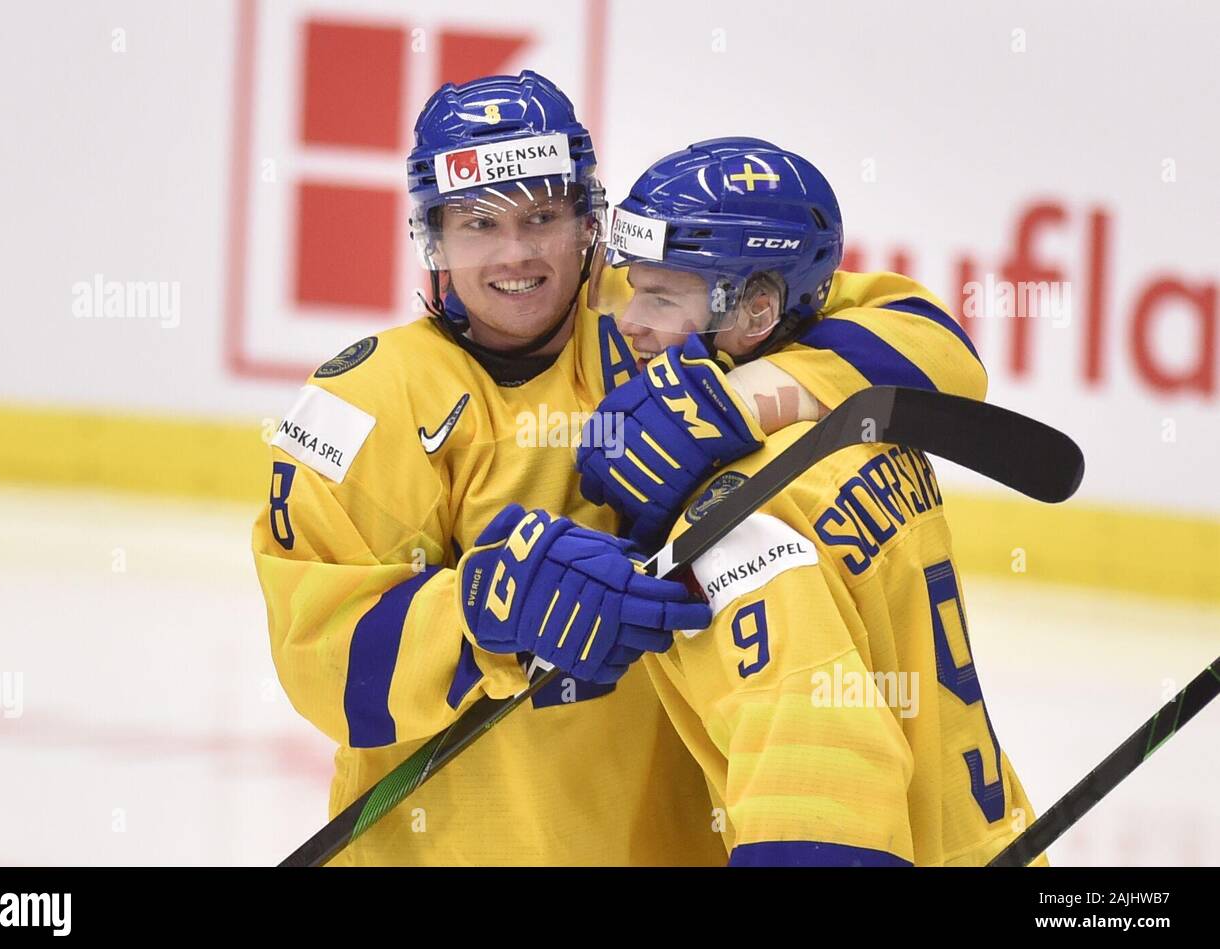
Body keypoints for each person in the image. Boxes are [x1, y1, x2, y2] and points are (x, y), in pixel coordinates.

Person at [253, 70, 990, 865]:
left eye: (542, 217)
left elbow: (937, 348)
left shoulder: (662, 312)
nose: (515, 255)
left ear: (585, 223)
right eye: (477, 224)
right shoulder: (361, 402)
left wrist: (741, 399)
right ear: (434, 236)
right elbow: (319, 661)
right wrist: (483, 610)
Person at [577, 138, 1041, 865]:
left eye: (663, 297)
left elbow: (821, 776)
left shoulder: (735, 508)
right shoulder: (859, 419)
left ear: (758, 309)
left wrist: (720, 408)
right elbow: (921, 332)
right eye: (634, 287)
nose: (629, 321)